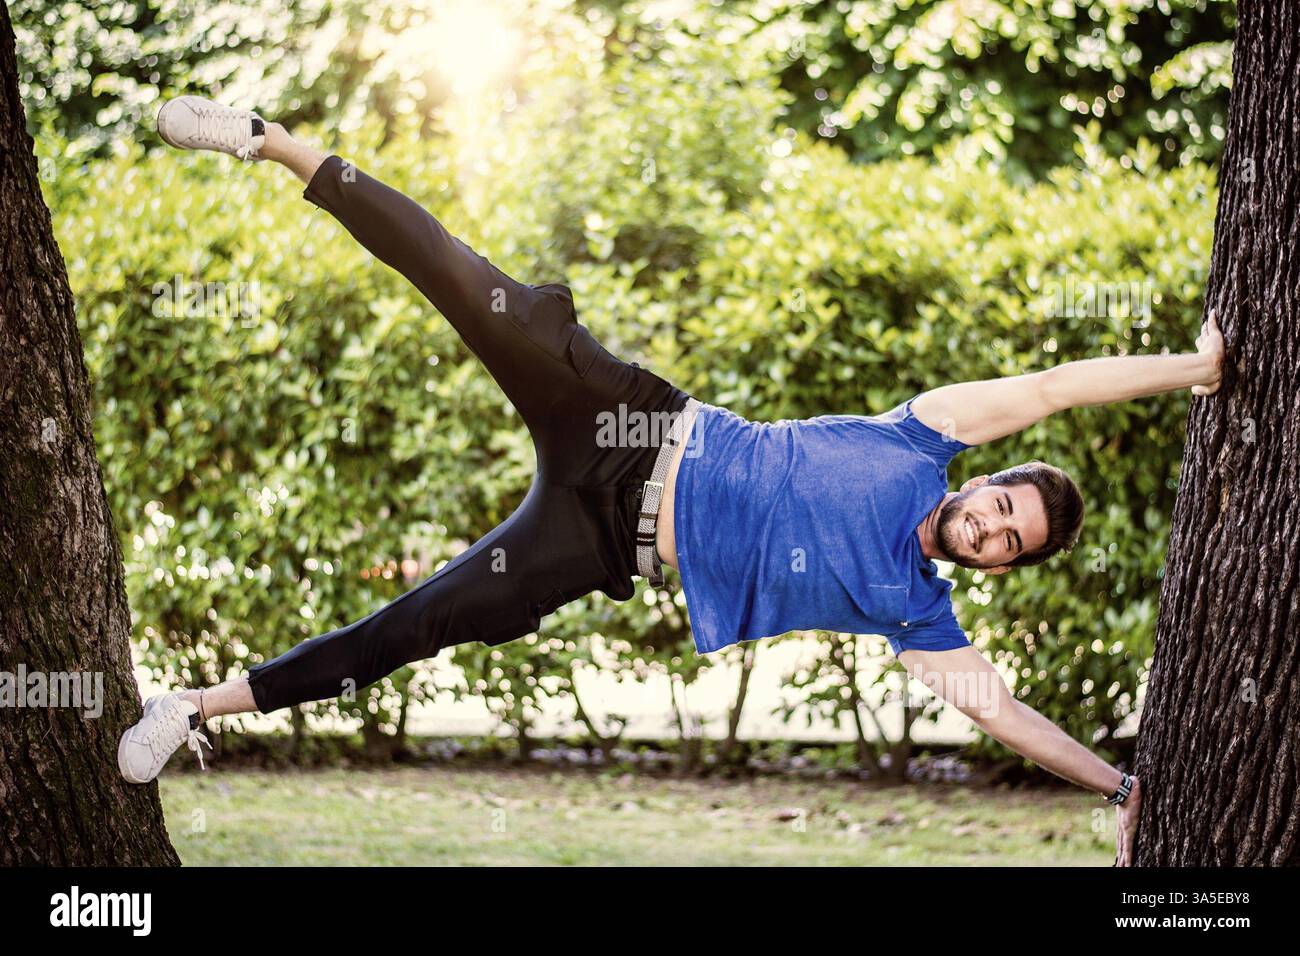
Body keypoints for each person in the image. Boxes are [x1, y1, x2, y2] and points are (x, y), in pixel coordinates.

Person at [119, 96, 1226, 866]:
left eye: (1006, 540)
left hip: (604, 539)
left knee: (426, 618)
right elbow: (1056, 385)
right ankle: (266, 141)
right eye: (1001, 502)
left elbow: (1007, 717)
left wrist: (1120, 786)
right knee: (461, 279)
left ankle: (196, 705)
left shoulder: (916, 611)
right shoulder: (923, 437)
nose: (987, 524)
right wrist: (1194, 370)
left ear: (1002, 563)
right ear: (988, 479)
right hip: (634, 420)